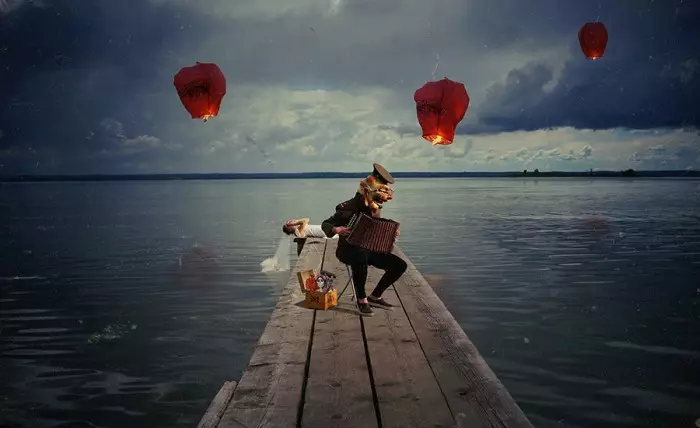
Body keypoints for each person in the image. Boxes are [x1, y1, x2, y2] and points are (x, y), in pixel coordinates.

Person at [321, 163, 407, 316]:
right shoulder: (347, 208)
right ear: (367, 192)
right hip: (346, 250)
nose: (380, 203)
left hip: (369, 250)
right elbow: (326, 224)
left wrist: (392, 231)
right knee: (360, 254)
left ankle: (375, 296)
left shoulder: (374, 208)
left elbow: (378, 224)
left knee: (400, 265)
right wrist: (336, 229)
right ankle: (361, 300)